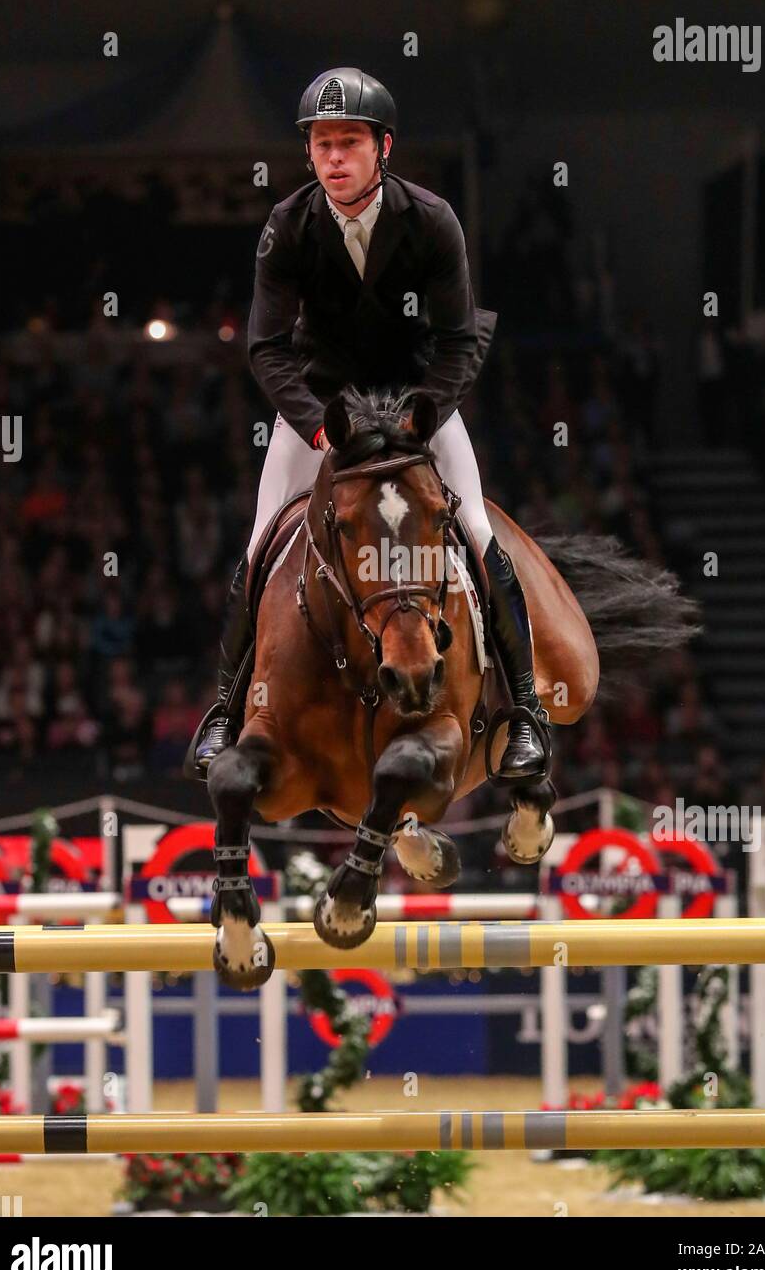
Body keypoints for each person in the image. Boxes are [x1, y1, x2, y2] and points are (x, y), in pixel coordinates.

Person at [187, 67, 549, 782]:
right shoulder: (288, 226)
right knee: (260, 544)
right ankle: (226, 712)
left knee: (476, 531)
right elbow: (264, 346)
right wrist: (321, 431)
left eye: (347, 142)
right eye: (321, 144)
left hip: (416, 406)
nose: (332, 157)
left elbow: (459, 341)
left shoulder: (432, 220)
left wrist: (424, 415)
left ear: (384, 146)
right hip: (325, 412)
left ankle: (526, 716)